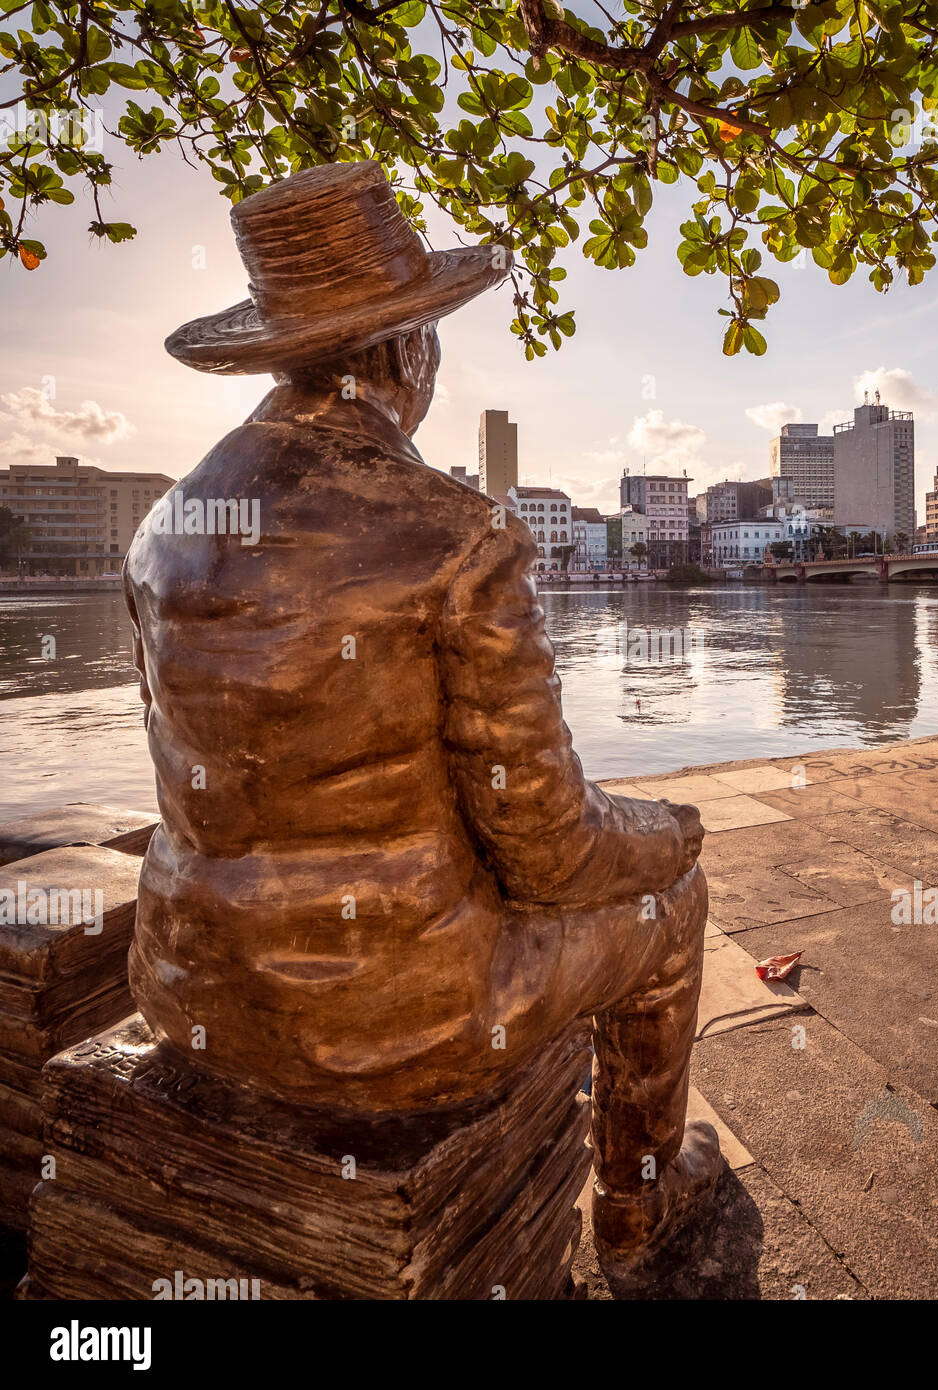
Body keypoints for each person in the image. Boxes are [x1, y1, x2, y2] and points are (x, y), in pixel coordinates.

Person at [123, 160, 722, 1280]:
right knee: (669, 903)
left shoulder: (162, 531)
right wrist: (673, 830)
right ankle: (638, 1214)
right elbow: (552, 848)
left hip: (188, 980)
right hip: (401, 1019)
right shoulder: (455, 531)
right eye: (430, 341)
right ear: (407, 351)